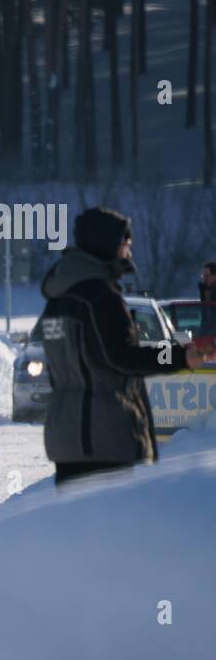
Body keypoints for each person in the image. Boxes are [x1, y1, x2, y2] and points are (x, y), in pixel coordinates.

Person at [40, 207, 215, 486]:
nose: (128, 252)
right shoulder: (100, 298)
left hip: (68, 436)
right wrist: (181, 355)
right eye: (125, 244)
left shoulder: (59, 300)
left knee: (77, 527)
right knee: (110, 527)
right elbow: (124, 356)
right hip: (103, 438)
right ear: (107, 245)